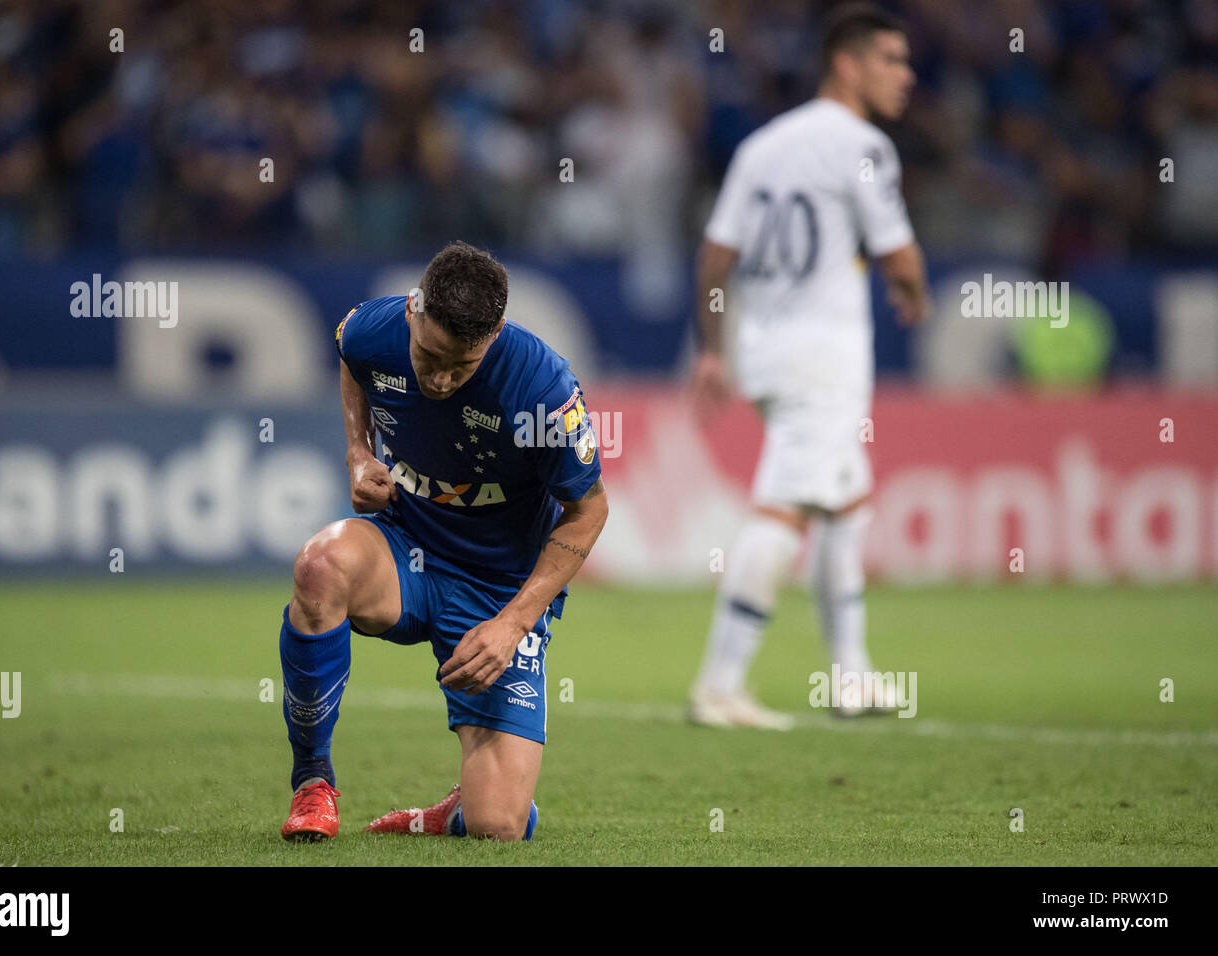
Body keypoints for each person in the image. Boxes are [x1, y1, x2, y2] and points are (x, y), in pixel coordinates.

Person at [279, 241, 608, 841]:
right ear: (413, 311)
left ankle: (453, 812)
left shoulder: (543, 389)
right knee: (320, 565)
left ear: (496, 333)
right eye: (429, 354)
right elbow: (351, 358)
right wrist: (358, 451)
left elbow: (587, 512)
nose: (439, 377)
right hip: (406, 548)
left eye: (462, 365)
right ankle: (313, 782)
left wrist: (513, 624)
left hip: (497, 586)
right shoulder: (372, 329)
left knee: (498, 826)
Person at [688, 4, 930, 728]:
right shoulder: (864, 146)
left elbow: (714, 258)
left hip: (764, 350)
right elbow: (900, 254)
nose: (906, 75)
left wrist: (710, 349)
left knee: (846, 502)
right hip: (822, 357)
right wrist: (914, 291)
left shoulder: (764, 145)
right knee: (787, 507)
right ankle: (719, 685)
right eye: (890, 59)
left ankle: (852, 676)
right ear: (847, 64)